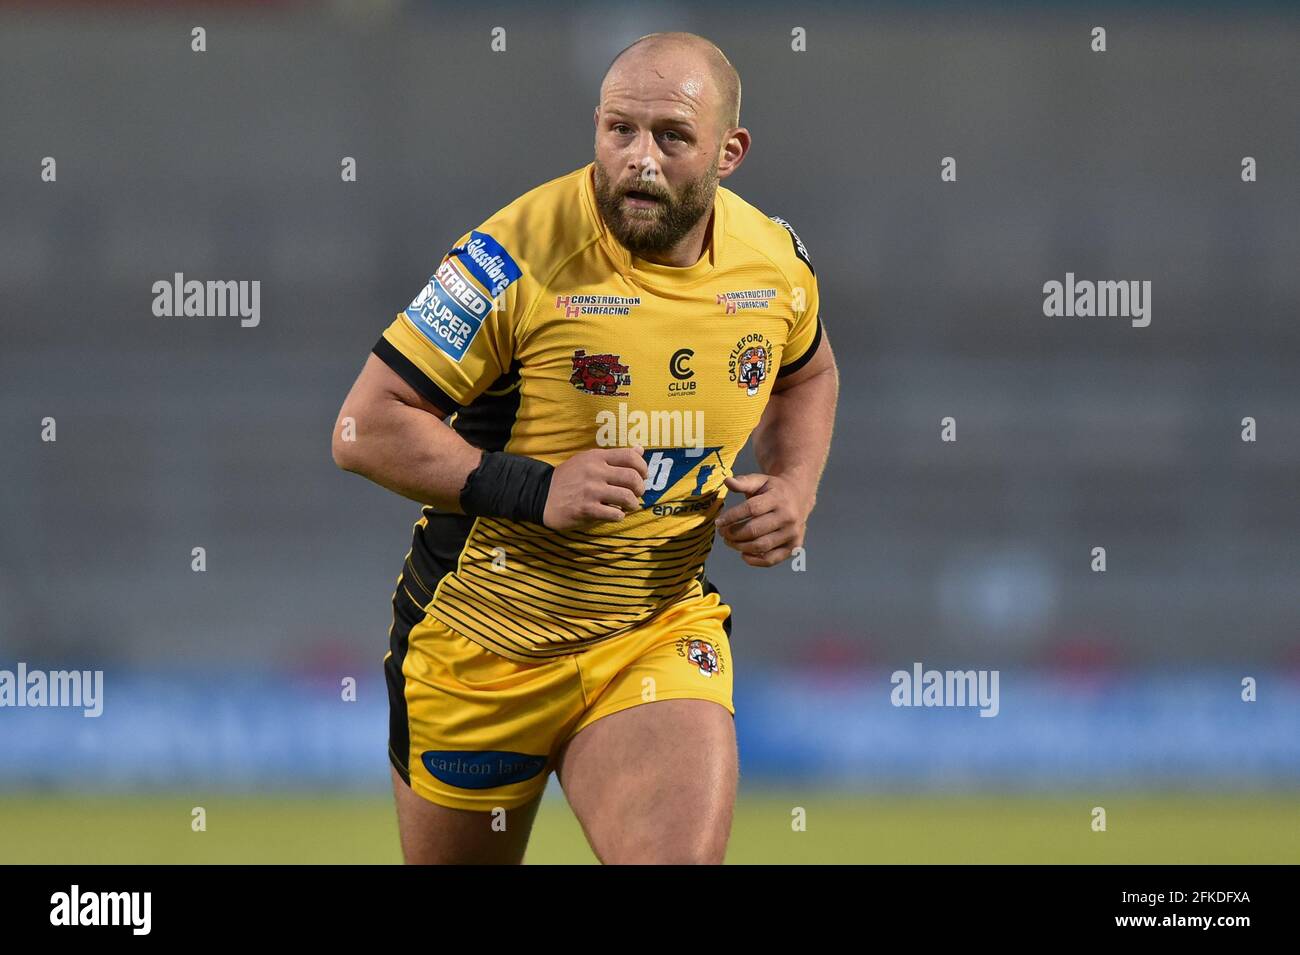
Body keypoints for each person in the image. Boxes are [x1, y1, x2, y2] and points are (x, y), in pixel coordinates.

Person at [332, 31, 838, 864]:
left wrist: (794, 483)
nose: (639, 160)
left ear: (730, 151)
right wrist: (535, 488)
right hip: (479, 647)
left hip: (651, 632)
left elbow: (810, 375)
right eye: (619, 131)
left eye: (672, 137)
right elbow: (363, 426)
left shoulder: (774, 264)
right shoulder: (510, 256)